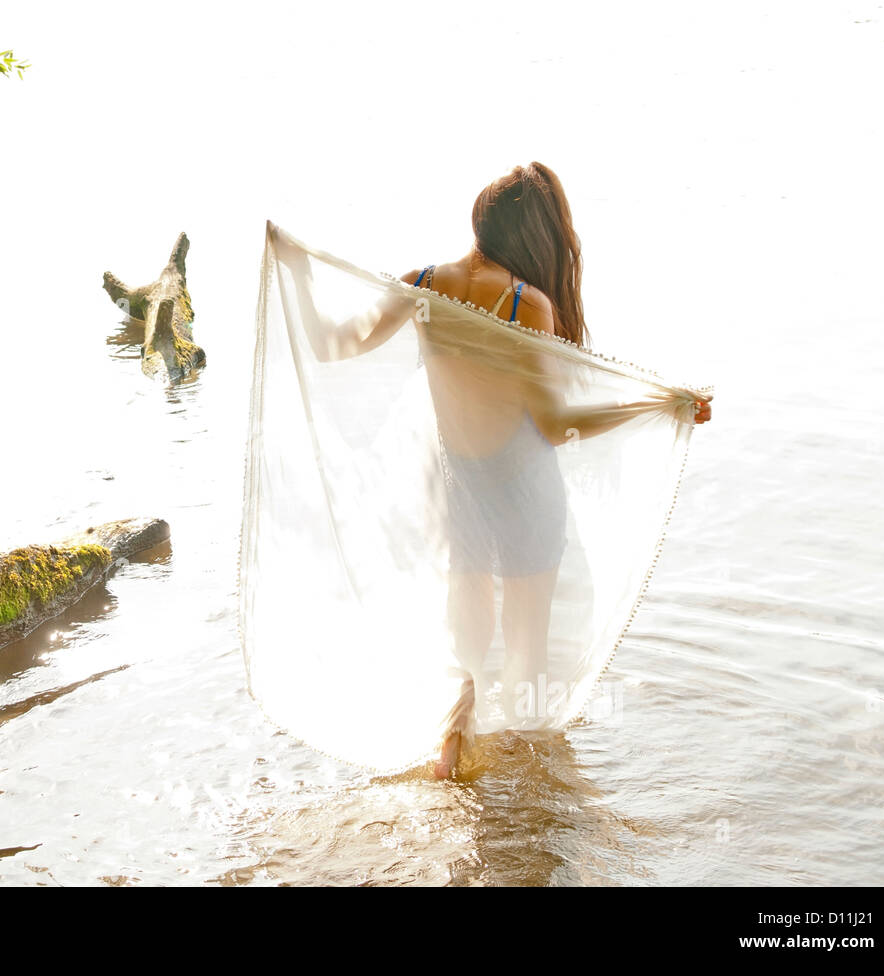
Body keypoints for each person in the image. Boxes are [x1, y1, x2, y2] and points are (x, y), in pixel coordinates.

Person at [272, 163, 711, 780]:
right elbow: (558, 426)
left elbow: (332, 346)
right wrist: (657, 404)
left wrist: (296, 268)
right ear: (538, 235)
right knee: (527, 651)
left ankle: (454, 766)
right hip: (524, 499)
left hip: (460, 495)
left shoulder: (423, 284)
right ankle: (527, 792)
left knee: (467, 653)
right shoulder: (525, 303)